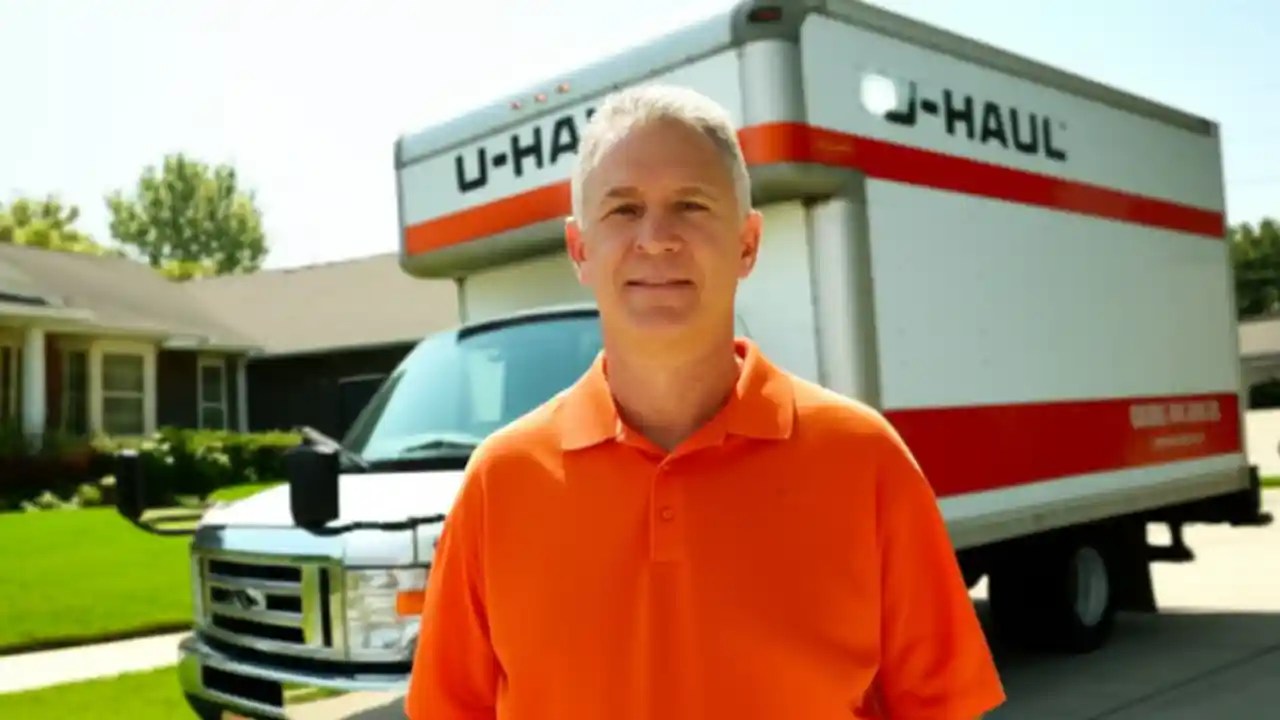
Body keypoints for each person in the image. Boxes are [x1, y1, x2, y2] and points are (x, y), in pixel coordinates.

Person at [404, 83, 1006, 720]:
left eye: (691, 205)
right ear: (580, 248)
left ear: (747, 243)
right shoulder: (500, 484)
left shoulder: (865, 459)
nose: (657, 238)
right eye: (623, 210)